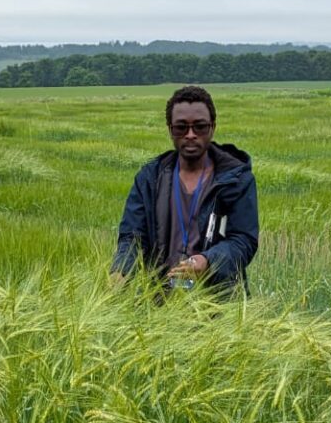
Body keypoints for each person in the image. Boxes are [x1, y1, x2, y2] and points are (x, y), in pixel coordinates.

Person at [111, 84, 259, 294]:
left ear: (213, 127)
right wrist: (122, 271)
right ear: (170, 130)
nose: (190, 134)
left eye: (200, 126)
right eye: (181, 127)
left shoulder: (236, 180)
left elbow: (244, 241)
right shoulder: (150, 179)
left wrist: (208, 262)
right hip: (158, 303)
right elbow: (132, 237)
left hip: (219, 307)